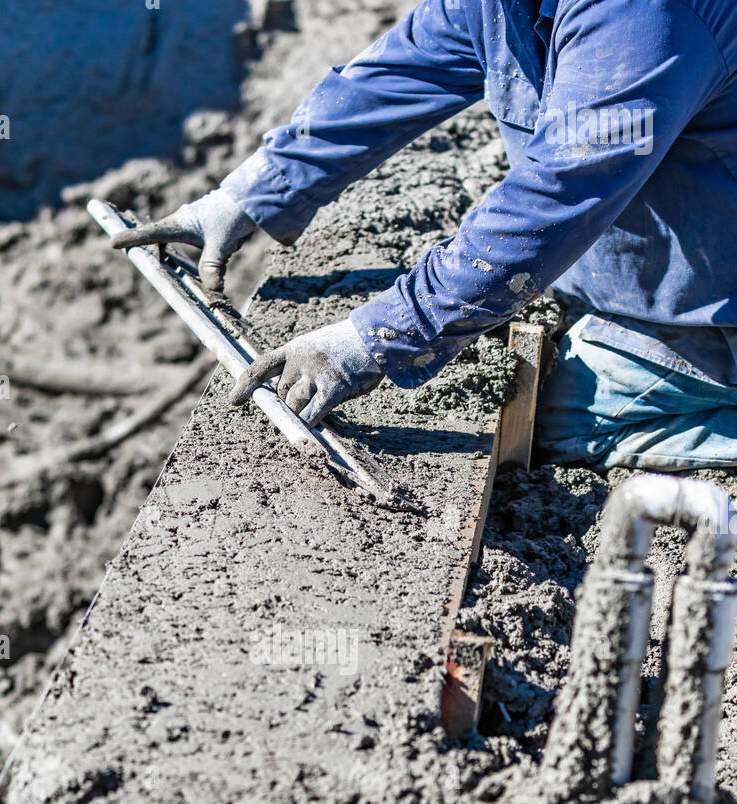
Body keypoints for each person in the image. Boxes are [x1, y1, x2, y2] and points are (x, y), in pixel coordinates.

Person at [114, 0, 737, 470]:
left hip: (712, 317)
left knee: (551, 422)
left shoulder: (647, 18)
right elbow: (396, 76)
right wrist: (246, 194)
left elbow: (557, 195)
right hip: (636, 275)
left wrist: (371, 339)